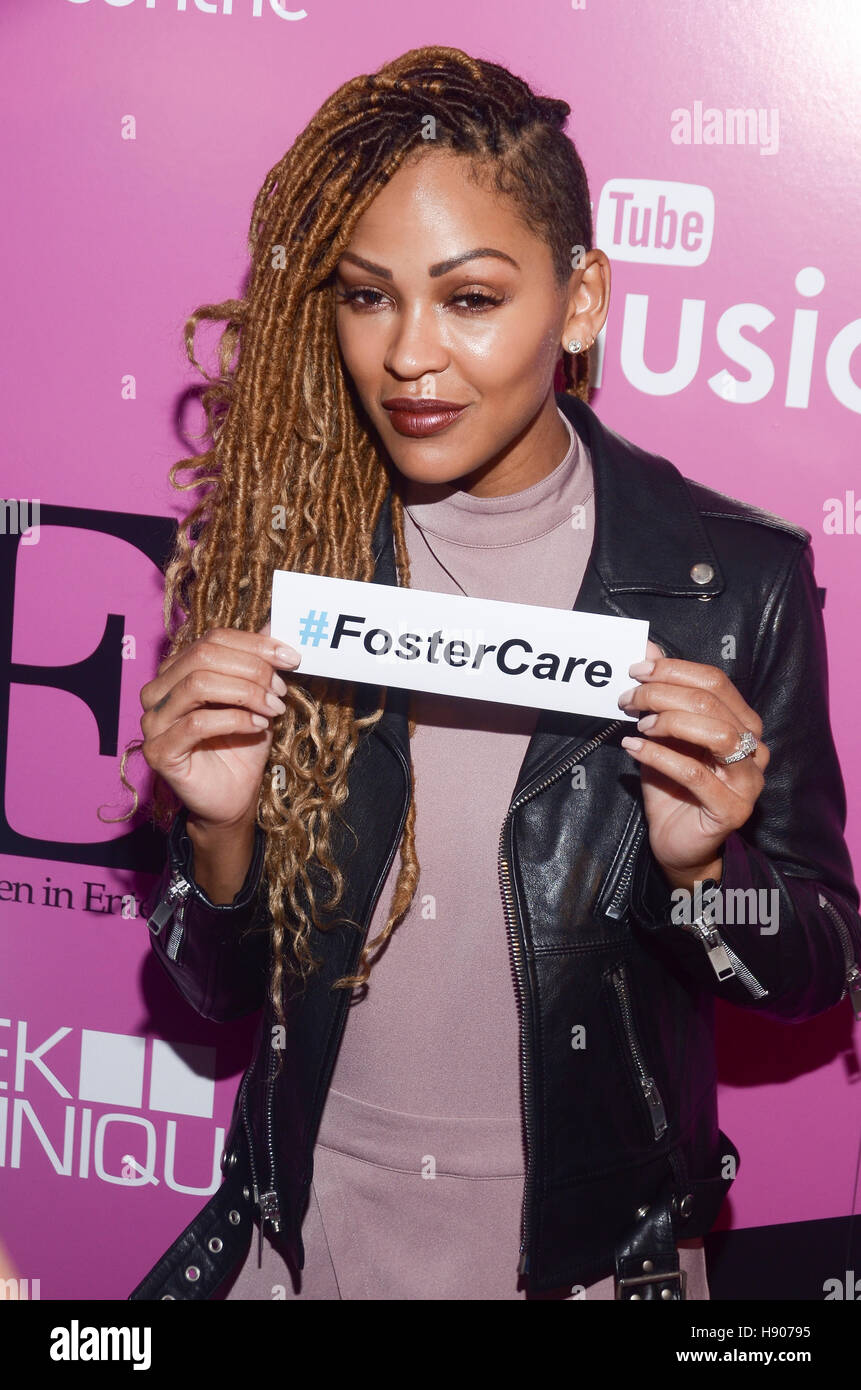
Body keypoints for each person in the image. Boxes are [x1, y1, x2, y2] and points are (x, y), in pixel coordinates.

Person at [127, 46, 861, 1301]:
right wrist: (218, 838)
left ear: (579, 303)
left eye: (469, 299)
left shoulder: (728, 586)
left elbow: (814, 966)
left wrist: (702, 875)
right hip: (310, 1245)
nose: (411, 355)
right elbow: (210, 984)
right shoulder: (279, 549)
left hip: (580, 1262)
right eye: (368, 296)